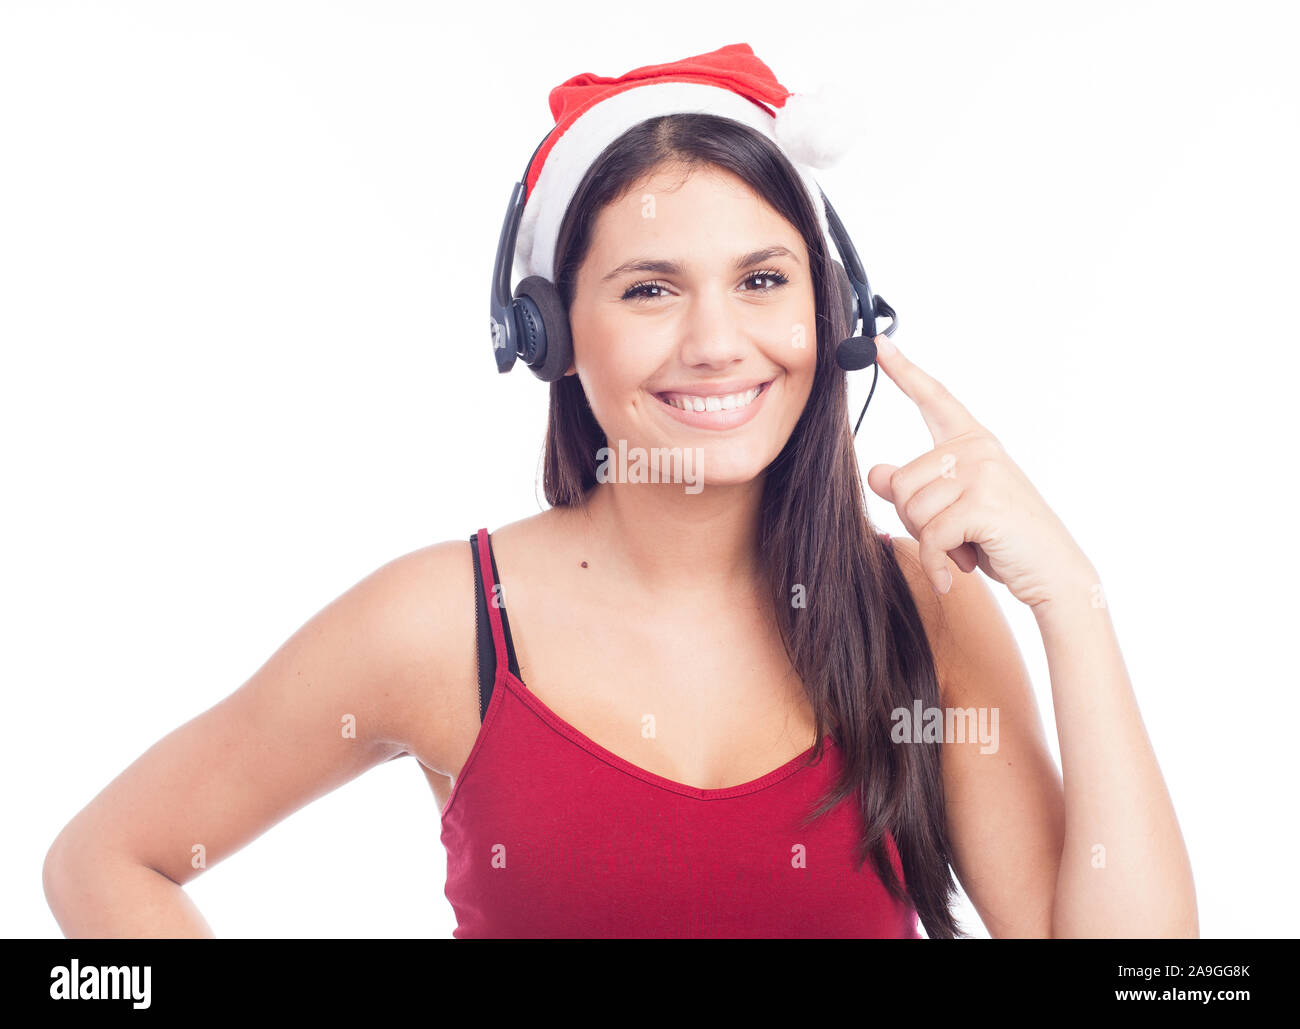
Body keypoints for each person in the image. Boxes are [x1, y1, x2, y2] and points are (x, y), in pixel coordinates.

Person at [42, 42, 1196, 939]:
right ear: (549, 335)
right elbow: (105, 860)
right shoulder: (440, 622)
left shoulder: (920, 610)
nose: (717, 342)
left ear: (827, 312)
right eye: (650, 291)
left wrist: (1074, 604)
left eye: (760, 279)